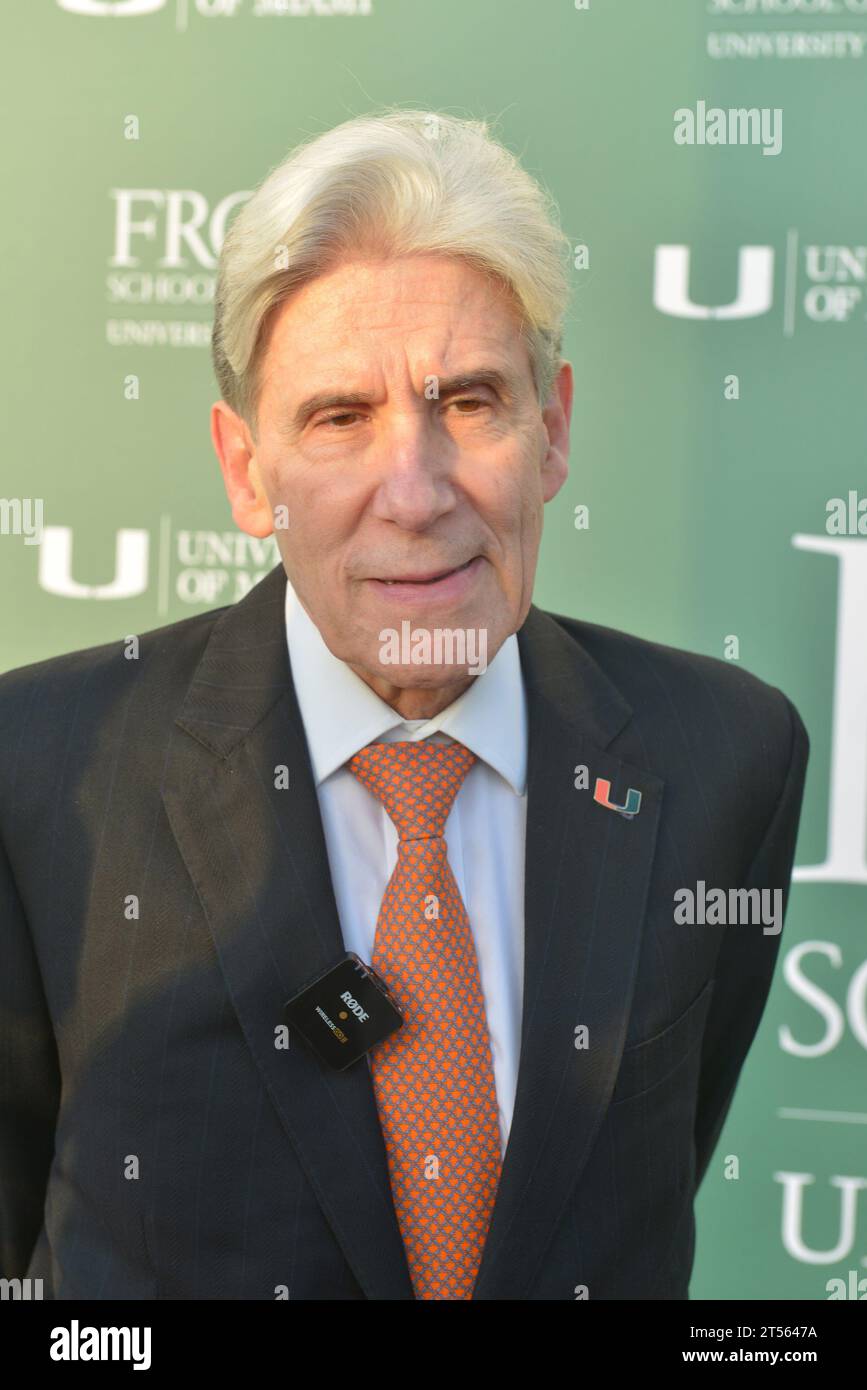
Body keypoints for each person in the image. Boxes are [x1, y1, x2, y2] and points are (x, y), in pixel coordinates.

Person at [0, 108, 809, 1300]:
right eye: (340, 417)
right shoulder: (39, 771)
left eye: (471, 401)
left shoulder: (726, 754)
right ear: (244, 468)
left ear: (555, 431)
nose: (416, 490)